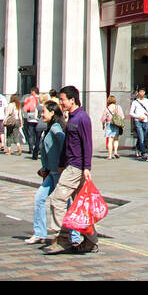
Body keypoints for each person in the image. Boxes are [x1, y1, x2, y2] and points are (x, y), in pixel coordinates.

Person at [44, 85, 96, 254]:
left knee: (57, 199)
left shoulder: (82, 118)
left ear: (72, 100)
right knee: (81, 207)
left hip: (76, 167)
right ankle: (90, 241)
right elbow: (68, 144)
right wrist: (61, 162)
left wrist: (87, 167)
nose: (61, 102)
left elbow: (87, 143)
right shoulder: (72, 119)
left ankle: (63, 236)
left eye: (63, 99)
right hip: (71, 165)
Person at [27, 99, 65, 245]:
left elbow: (64, 140)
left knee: (64, 204)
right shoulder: (50, 127)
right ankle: (39, 233)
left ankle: (70, 234)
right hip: (51, 172)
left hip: (59, 172)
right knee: (39, 198)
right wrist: (44, 168)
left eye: (44, 111)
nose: (41, 114)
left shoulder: (56, 127)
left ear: (52, 112)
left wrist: (62, 162)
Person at [101, 96, 124, 160]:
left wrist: (103, 125)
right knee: (116, 139)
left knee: (110, 140)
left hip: (109, 124)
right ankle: (115, 152)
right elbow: (122, 116)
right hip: (116, 124)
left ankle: (110, 155)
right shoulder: (118, 107)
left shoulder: (107, 108)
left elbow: (103, 118)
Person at [129, 89, 148, 159]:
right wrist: (138, 117)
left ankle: (138, 147)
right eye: (140, 92)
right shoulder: (135, 102)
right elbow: (131, 113)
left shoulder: (147, 101)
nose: (141, 93)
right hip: (138, 121)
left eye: (143, 92)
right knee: (141, 137)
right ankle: (143, 152)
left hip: (146, 121)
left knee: (144, 136)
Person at [23, 87, 41, 160]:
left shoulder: (29, 98)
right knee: (38, 135)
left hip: (31, 118)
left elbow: (25, 108)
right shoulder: (41, 98)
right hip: (39, 119)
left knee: (30, 135)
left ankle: (31, 149)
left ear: (33, 91)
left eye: (31, 91)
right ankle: (38, 148)